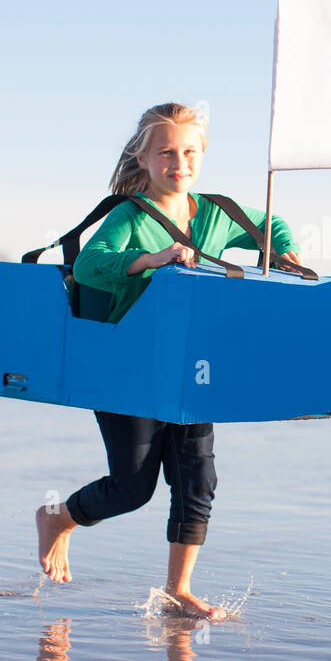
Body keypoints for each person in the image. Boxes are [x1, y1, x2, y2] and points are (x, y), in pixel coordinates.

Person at [34, 102, 306, 620]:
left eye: (189, 151)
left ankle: (179, 590)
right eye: (165, 151)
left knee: (198, 478)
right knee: (132, 488)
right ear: (143, 157)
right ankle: (58, 517)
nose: (178, 162)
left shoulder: (216, 213)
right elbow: (91, 263)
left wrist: (286, 252)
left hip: (189, 367)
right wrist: (153, 258)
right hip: (124, 368)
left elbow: (272, 224)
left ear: (201, 154)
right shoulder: (129, 216)